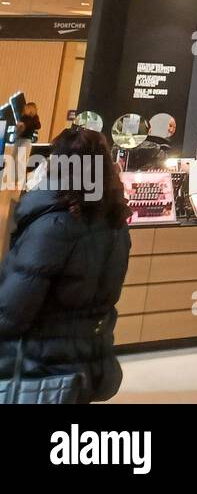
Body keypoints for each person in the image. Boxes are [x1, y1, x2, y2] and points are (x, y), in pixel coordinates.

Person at [0, 126, 131, 403]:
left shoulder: (53, 225)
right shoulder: (116, 226)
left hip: (40, 367)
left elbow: (12, 312)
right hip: (86, 361)